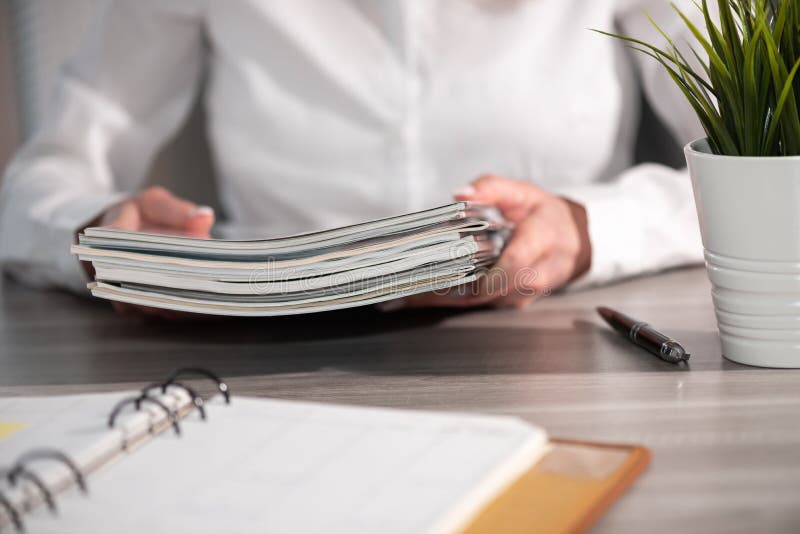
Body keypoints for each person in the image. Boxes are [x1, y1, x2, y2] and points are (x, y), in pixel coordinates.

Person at [0, 0, 704, 313]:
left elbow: (773, 169)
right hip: (259, 377)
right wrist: (98, 238)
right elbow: (40, 179)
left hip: (569, 350)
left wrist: (592, 229)